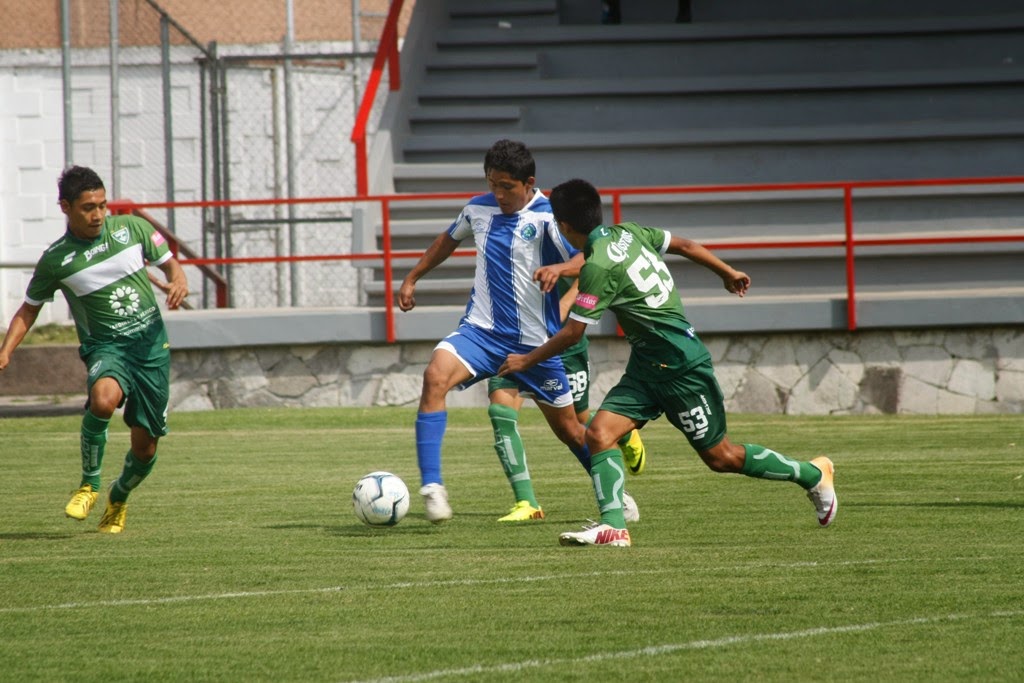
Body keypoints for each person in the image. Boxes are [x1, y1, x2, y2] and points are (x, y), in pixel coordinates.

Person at [499, 178, 837, 547]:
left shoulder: (597, 267)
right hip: (646, 367)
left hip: (681, 367)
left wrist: (526, 360)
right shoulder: (629, 232)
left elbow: (572, 334)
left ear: (563, 226)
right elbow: (685, 245)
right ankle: (613, 526)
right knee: (599, 434)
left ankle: (812, 474)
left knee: (721, 457)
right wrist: (727, 272)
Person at [399, 139, 604, 524]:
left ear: (529, 183)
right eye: (493, 184)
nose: (499, 194)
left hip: (535, 346)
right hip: (481, 333)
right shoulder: (478, 209)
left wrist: (560, 269)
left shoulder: (550, 216)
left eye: (507, 186)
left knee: (571, 431)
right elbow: (448, 240)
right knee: (434, 376)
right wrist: (412, 278)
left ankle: (614, 493)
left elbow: (590, 256)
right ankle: (432, 487)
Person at [0, 166, 188, 533]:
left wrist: (178, 279)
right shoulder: (56, 260)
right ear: (66, 207)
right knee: (103, 400)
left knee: (146, 448)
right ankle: (89, 485)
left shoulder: (133, 229)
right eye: (88, 207)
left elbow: (171, 266)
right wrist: (6, 350)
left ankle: (119, 495)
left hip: (150, 349)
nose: (98, 214)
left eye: (102, 205)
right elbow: (29, 308)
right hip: (106, 347)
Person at [486, 276, 646, 522]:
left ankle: (622, 439)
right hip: (515, 341)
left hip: (562, 344)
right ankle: (527, 503)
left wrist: (563, 305)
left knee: (575, 424)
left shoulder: (568, 249)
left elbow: (586, 269)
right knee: (500, 412)